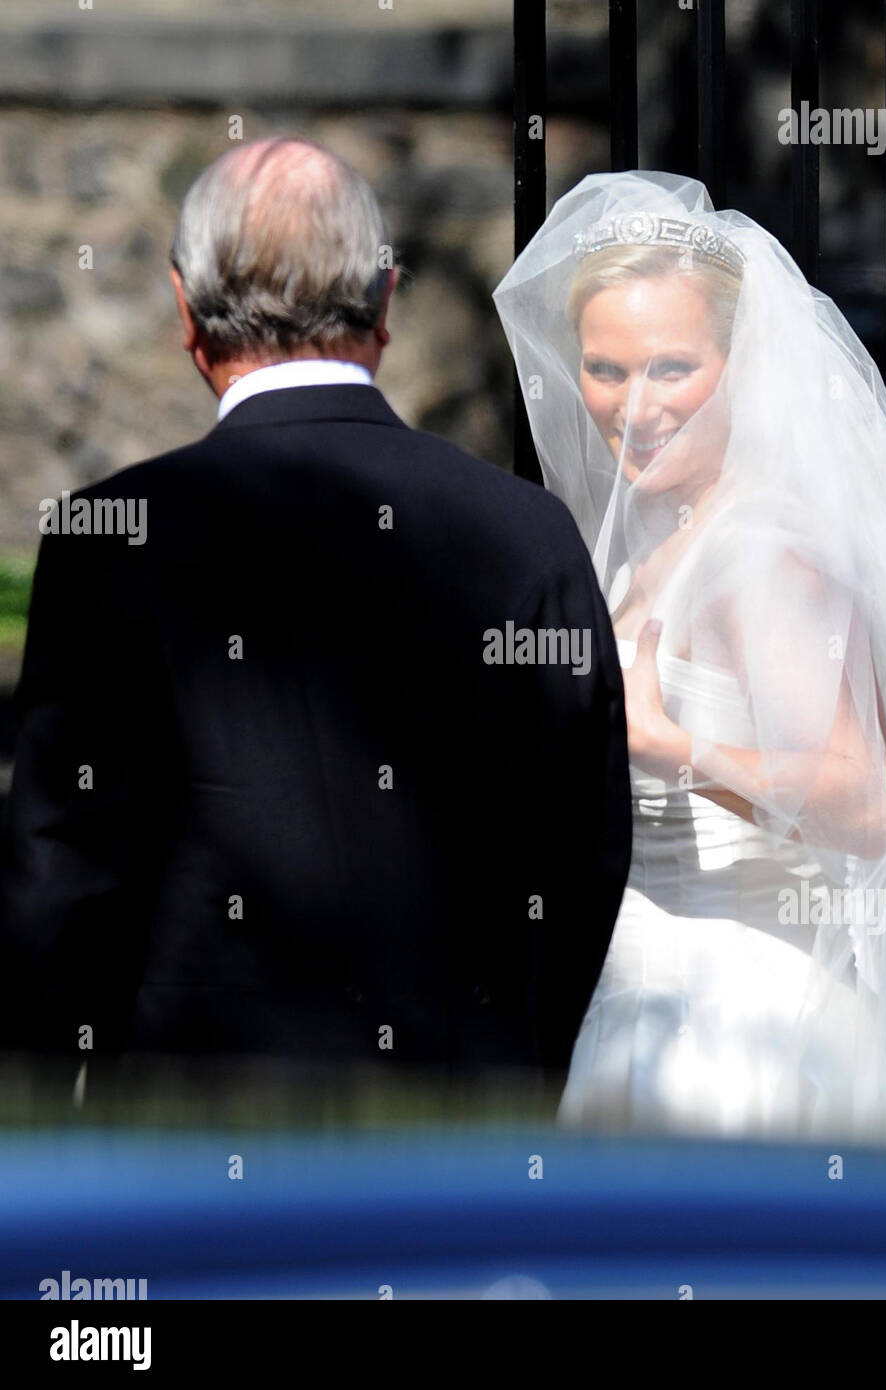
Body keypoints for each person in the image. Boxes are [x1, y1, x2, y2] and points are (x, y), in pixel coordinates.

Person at [0, 138, 632, 1084]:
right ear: (383, 302)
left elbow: (59, 874)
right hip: (456, 1130)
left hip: (184, 1135)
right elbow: (583, 855)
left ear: (186, 312)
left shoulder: (109, 540)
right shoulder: (528, 536)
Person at [494, 169, 886, 1155]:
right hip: (647, 1009)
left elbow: (859, 801)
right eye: (604, 368)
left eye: (671, 368)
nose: (633, 406)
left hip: (743, 1032)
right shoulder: (651, 543)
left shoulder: (762, 554)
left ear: (742, 361)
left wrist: (658, 742)